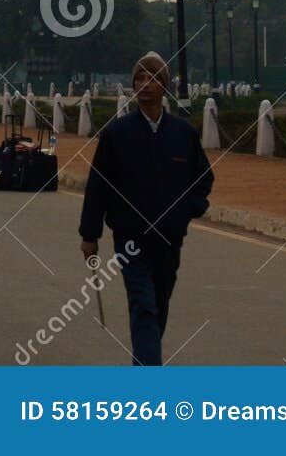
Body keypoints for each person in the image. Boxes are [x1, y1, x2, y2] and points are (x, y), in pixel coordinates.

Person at [78, 52, 214, 366]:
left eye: (152, 78)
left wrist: (188, 210)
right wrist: (90, 234)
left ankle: (144, 362)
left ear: (164, 86)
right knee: (143, 306)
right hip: (130, 239)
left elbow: (203, 179)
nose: (145, 85)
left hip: (169, 239)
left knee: (159, 306)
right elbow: (98, 186)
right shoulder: (117, 134)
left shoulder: (183, 134)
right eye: (139, 78)